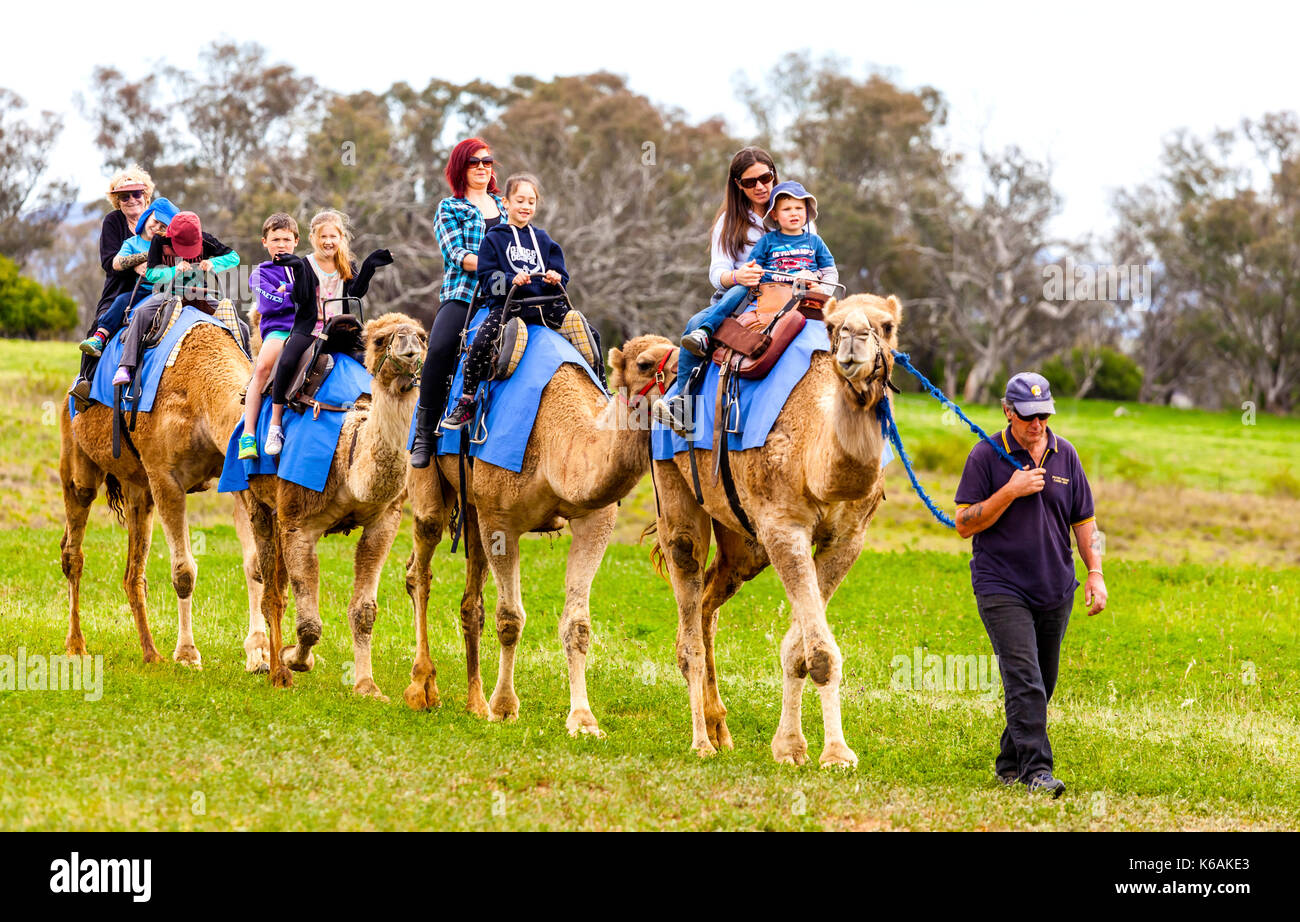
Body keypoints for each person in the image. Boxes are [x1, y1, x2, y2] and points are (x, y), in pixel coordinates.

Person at [953, 372, 1108, 798]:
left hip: (1056, 587)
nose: (1037, 424)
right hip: (1001, 586)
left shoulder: (1066, 455)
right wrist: (1010, 491)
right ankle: (1037, 773)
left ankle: (1008, 763)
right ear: (1008, 412)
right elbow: (963, 525)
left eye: (1043, 414)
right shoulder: (986, 456)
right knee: (1024, 680)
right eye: (1027, 416)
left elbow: (1087, 524)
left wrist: (1095, 572)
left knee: (1044, 682)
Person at [654, 180, 837, 430]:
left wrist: (821, 287)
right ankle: (702, 341)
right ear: (775, 214)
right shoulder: (761, 238)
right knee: (728, 299)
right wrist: (746, 274)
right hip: (764, 294)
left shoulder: (814, 241)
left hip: (804, 297)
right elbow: (745, 267)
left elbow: (829, 270)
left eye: (799, 209)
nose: (794, 213)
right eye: (787, 209)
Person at [439, 172, 567, 431]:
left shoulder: (544, 240)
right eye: (520, 200)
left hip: (545, 309)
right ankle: (467, 402)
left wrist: (556, 277)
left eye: (531, 201)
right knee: (480, 343)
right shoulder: (494, 239)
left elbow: (561, 272)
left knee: (588, 332)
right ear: (506, 203)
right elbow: (488, 280)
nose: (526, 206)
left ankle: (601, 388)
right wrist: (511, 280)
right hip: (509, 309)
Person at [263, 210, 393, 455]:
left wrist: (369, 266)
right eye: (323, 236)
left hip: (340, 329)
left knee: (375, 356)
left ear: (341, 238)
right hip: (310, 329)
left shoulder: (345, 264)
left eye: (333, 236)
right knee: (288, 360)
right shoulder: (305, 264)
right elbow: (299, 297)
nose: (328, 241)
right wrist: (299, 272)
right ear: (313, 237)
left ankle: (388, 410)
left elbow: (356, 292)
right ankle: (275, 423)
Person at [409, 138, 505, 466]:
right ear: (460, 168)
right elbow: (456, 255)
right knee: (438, 349)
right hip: (464, 296)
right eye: (474, 162)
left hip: (505, 296)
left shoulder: (504, 205)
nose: (482, 168)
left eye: (487, 162)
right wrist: (496, 262)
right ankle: (425, 433)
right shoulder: (450, 208)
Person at [110, 211, 240, 385]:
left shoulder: (206, 240)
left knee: (238, 323)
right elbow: (151, 273)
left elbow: (234, 257)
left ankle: (246, 364)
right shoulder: (159, 240)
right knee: (141, 313)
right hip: (167, 294)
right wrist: (174, 270)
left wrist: (214, 263)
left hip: (198, 293)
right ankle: (125, 366)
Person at [70, 166, 156, 402]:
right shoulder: (113, 222)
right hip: (120, 289)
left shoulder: (158, 220)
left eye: (136, 194)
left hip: (159, 286)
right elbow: (109, 262)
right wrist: (138, 261)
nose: (131, 200)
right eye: (124, 196)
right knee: (101, 321)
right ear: (117, 201)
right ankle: (85, 382)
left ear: (146, 195)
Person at [79, 197, 179, 357]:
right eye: (155, 221)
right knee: (121, 301)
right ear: (148, 215)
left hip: (166, 292)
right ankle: (100, 336)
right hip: (141, 291)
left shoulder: (168, 247)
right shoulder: (131, 243)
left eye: (163, 227)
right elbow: (117, 263)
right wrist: (146, 257)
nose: (156, 228)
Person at [236, 213, 300, 459]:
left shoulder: (305, 268)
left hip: (308, 328)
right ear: (265, 242)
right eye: (275, 239)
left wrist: (289, 289)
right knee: (262, 368)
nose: (281, 244)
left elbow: (317, 291)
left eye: (286, 239)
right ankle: (248, 434)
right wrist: (294, 295)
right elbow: (270, 304)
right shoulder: (260, 274)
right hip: (279, 330)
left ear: (296, 241)